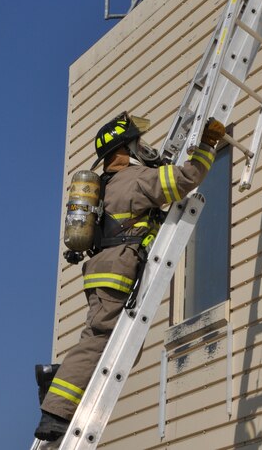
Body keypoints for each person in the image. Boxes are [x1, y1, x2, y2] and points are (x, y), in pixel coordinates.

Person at [34, 111, 226, 442]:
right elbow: (185, 179)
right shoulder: (135, 179)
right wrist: (208, 146)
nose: (142, 146)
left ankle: (56, 378)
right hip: (119, 269)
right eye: (136, 142)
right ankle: (54, 413)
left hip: (101, 272)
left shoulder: (108, 186)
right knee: (100, 340)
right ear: (123, 149)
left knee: (116, 344)